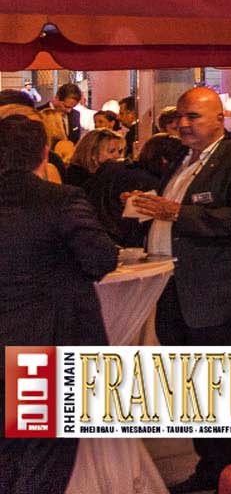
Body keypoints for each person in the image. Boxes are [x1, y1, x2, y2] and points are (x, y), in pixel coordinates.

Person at [127, 86, 231, 493]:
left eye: (195, 117)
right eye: (182, 116)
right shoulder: (185, 160)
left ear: (220, 117)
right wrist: (147, 205)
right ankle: (212, 466)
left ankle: (230, 471)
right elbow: (178, 209)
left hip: (216, 291)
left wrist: (175, 212)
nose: (184, 124)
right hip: (177, 289)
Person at [0, 115, 118, 494]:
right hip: (41, 346)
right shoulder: (60, 199)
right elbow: (101, 260)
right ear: (44, 154)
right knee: (42, 459)